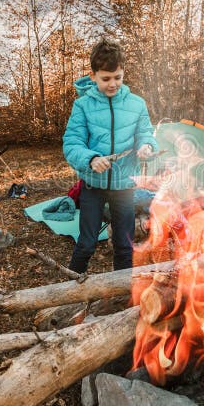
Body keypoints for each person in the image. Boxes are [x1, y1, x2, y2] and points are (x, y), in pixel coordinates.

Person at [63, 37, 159, 273]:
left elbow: (145, 133)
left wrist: (147, 147)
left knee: (124, 246)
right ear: (93, 75)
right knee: (86, 244)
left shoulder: (137, 104)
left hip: (124, 185)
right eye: (106, 79)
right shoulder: (82, 106)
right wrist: (91, 159)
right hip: (92, 185)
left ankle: (121, 292)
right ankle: (70, 291)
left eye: (118, 77)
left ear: (123, 72)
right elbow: (72, 143)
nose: (113, 84)